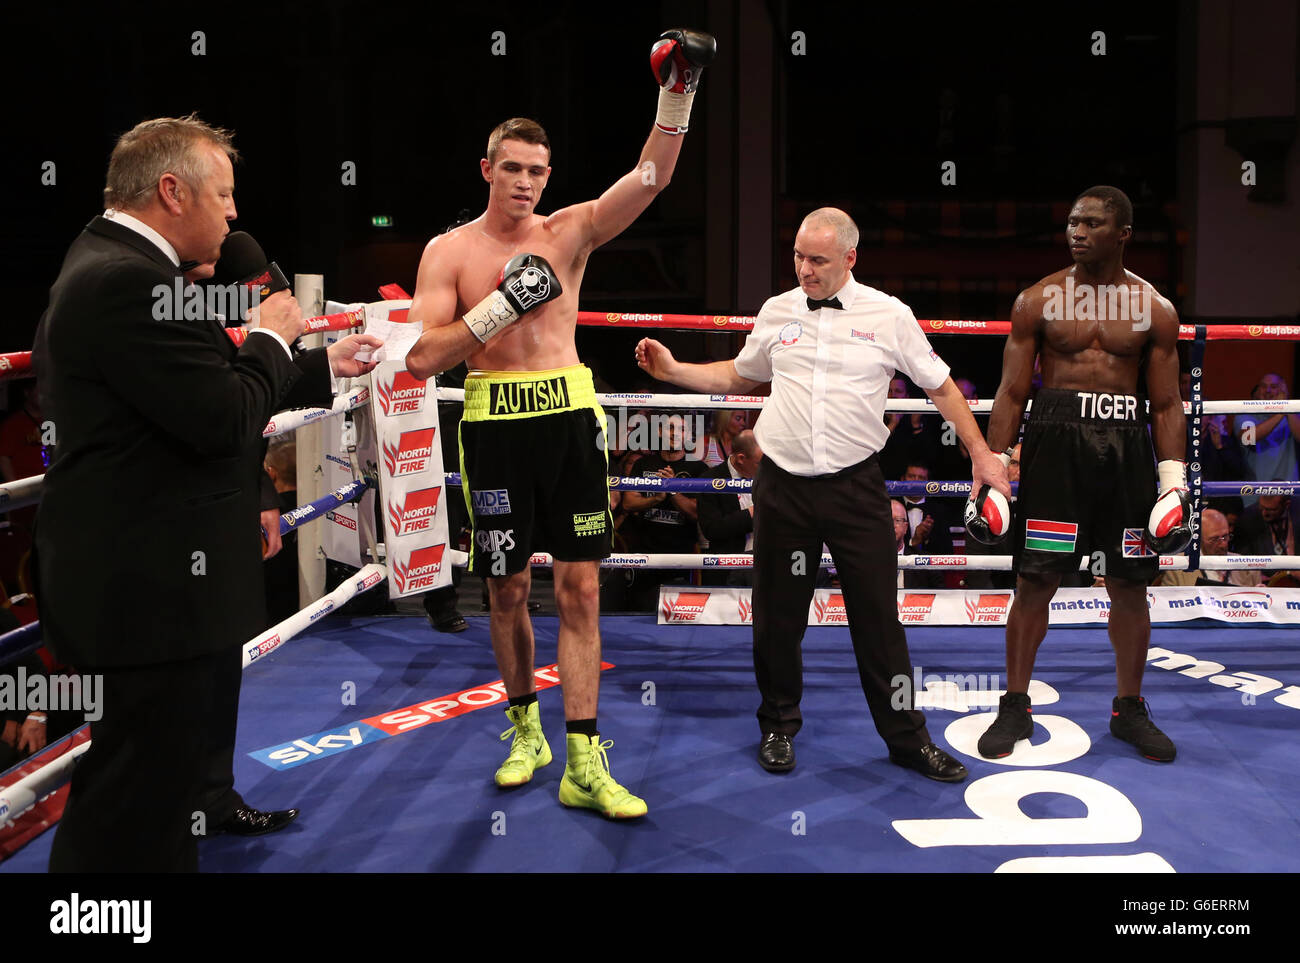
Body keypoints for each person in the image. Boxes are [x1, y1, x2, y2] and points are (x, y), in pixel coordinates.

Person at [32, 115, 377, 871]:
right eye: (222, 195)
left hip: (145, 579)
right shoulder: (126, 283)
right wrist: (271, 336)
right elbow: (223, 416)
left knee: (152, 791)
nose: (233, 213)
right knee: (133, 797)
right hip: (142, 589)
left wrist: (311, 364)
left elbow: (190, 390)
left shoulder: (111, 265)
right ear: (171, 190)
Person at [403, 29, 716, 819]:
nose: (525, 182)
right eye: (511, 167)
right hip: (494, 426)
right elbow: (421, 358)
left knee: (579, 586)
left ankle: (583, 756)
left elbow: (649, 180)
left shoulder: (569, 231)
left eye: (537, 171)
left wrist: (676, 91)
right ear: (487, 170)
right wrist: (501, 306)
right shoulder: (448, 252)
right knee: (506, 589)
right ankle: (524, 730)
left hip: (569, 418)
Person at [636, 207, 1008, 781]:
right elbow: (739, 375)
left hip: (856, 486)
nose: (804, 270)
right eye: (798, 257)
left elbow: (940, 386)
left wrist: (982, 454)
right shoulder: (778, 310)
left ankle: (907, 740)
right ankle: (778, 727)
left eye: (817, 260)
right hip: (782, 485)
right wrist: (674, 370)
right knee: (778, 619)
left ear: (850, 259)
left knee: (880, 621)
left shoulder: (890, 315)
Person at [978, 185, 1186, 764]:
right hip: (1055, 447)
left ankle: (1129, 708)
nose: (1078, 231)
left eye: (1093, 223)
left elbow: (1167, 404)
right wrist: (996, 469)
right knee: (1036, 578)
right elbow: (1013, 391)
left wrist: (1174, 480)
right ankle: (1015, 704)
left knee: (1128, 583)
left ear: (1123, 233)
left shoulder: (1155, 309)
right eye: (1073, 221)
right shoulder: (1036, 300)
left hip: (1126, 449)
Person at [619, 412, 706, 608]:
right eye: (670, 428)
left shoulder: (698, 468)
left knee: (676, 618)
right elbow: (628, 503)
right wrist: (657, 497)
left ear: (689, 436)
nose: (675, 434)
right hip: (644, 552)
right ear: (660, 431)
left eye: (682, 429)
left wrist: (672, 489)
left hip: (679, 556)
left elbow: (695, 513)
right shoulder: (644, 464)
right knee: (638, 611)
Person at [697, 428, 763, 586]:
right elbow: (712, 529)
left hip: (765, 565)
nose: (763, 468)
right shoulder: (710, 479)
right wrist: (752, 514)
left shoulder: (769, 477)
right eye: (758, 463)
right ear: (741, 458)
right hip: (728, 569)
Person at [1153, 508, 1260, 586]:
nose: (1223, 544)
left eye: (1225, 537)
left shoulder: (1247, 568)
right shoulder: (1178, 569)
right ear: (1198, 539)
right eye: (1214, 539)